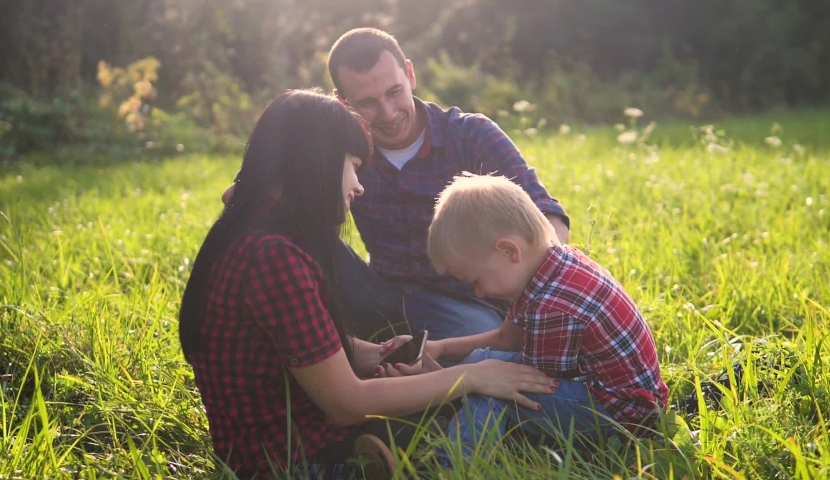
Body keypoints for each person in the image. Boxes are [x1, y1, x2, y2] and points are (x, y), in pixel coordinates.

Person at [179, 89, 558, 479]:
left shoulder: (251, 229)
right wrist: (471, 377)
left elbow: (273, 348)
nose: (359, 186)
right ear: (318, 160)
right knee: (464, 415)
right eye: (354, 166)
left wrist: (351, 351)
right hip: (290, 460)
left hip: (265, 446)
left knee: (448, 404)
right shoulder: (275, 255)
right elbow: (347, 404)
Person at [221, 27, 570, 343]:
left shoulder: (470, 134)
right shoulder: (336, 151)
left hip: (470, 299)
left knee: (483, 339)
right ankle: (317, 342)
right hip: (378, 294)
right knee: (286, 223)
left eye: (394, 92)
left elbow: (545, 216)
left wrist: (542, 300)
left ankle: (417, 363)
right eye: (368, 103)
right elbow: (240, 198)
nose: (388, 114)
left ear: (410, 74)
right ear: (341, 102)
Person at [422, 173, 669, 460]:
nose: (478, 294)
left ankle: (449, 466)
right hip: (615, 392)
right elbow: (505, 339)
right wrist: (442, 349)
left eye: (476, 280)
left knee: (493, 391)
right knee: (484, 367)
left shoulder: (552, 305)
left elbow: (523, 380)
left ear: (508, 251)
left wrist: (462, 379)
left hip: (621, 416)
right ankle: (453, 416)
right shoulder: (549, 267)